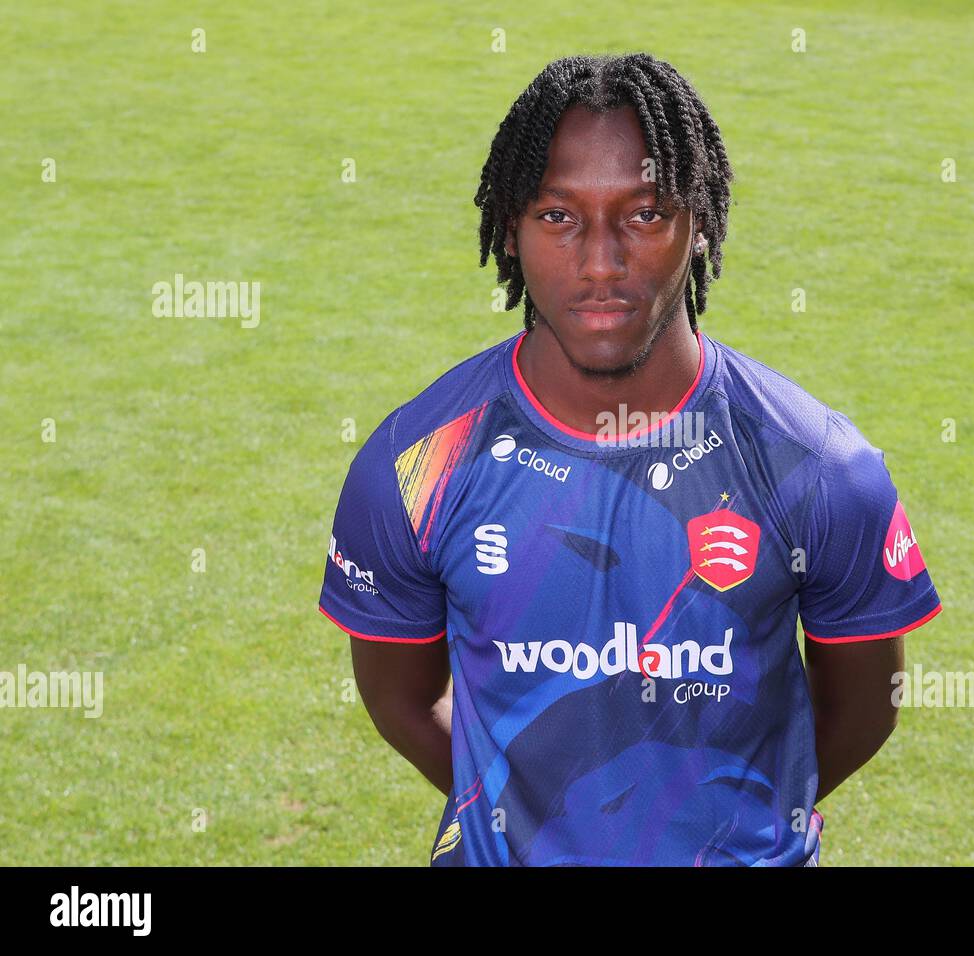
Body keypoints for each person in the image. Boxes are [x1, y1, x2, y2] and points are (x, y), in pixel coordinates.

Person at [318, 52, 941, 866]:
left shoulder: (818, 467)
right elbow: (401, 700)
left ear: (702, 221)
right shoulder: (414, 466)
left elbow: (864, 710)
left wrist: (719, 820)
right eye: (557, 216)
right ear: (509, 226)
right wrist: (538, 820)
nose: (602, 263)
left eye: (644, 215)